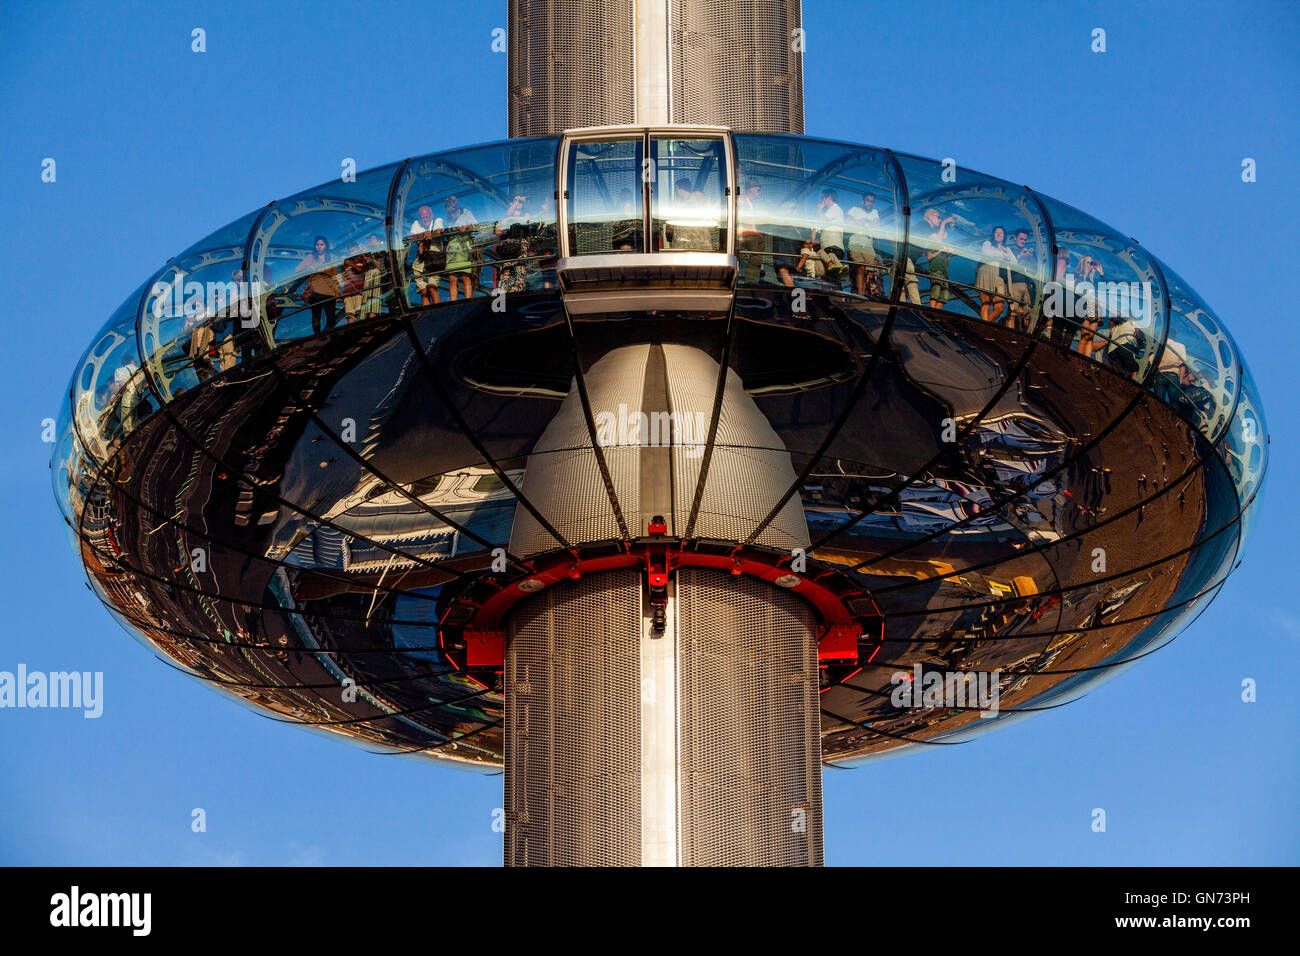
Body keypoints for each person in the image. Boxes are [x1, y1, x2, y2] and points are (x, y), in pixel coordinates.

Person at [296, 236, 341, 333]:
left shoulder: (331, 258)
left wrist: (337, 292)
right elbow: (297, 270)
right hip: (315, 292)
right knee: (316, 317)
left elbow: (335, 277)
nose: (319, 247)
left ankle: (327, 336)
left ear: (326, 246)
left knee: (331, 318)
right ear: (315, 246)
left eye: (322, 244)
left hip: (329, 292)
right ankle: (317, 336)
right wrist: (308, 268)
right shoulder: (310, 257)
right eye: (317, 245)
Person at [976, 225, 1017, 325]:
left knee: (999, 307)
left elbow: (1014, 261)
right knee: (986, 304)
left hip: (999, 277)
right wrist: (1002, 255)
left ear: (1004, 236)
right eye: (996, 232)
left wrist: (1003, 255)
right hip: (985, 274)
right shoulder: (987, 243)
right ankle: (987, 329)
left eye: (1001, 233)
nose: (999, 234)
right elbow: (986, 252)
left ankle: (984, 327)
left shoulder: (1007, 249)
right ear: (993, 235)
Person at [917, 208, 956, 309]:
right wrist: (939, 250)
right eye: (938, 217)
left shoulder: (944, 246)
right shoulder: (933, 243)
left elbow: (947, 264)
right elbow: (929, 257)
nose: (945, 235)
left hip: (944, 273)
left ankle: (936, 310)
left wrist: (948, 255)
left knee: (944, 294)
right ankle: (932, 310)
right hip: (935, 271)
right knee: (936, 290)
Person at [846, 191, 882, 297]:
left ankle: (868, 294)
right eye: (868, 201)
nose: (870, 203)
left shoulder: (874, 212)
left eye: (872, 201)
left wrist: (864, 222)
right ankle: (861, 295)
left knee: (869, 271)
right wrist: (862, 221)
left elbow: (877, 226)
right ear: (863, 201)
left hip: (868, 244)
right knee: (860, 267)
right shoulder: (854, 210)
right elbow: (848, 222)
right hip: (856, 242)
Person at [409, 205, 444, 306]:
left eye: (427, 216)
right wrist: (424, 234)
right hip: (420, 261)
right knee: (423, 292)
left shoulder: (437, 220)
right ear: (419, 218)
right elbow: (410, 237)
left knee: (432, 287)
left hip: (434, 260)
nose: (425, 219)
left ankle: (438, 311)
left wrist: (425, 236)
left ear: (431, 215)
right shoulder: (416, 223)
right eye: (422, 217)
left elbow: (438, 231)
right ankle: (427, 315)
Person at [814, 187, 847, 281]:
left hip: (832, 245)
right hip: (827, 245)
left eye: (822, 198)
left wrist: (819, 210)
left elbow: (824, 221)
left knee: (833, 275)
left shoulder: (835, 209)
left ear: (828, 197)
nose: (821, 201)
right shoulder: (830, 211)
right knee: (831, 273)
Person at [738, 179, 765, 283]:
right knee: (755, 255)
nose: (758, 193)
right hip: (746, 234)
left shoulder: (750, 203)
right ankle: (750, 281)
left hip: (750, 233)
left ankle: (751, 279)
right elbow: (744, 218)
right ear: (751, 189)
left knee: (755, 255)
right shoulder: (742, 199)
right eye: (757, 190)